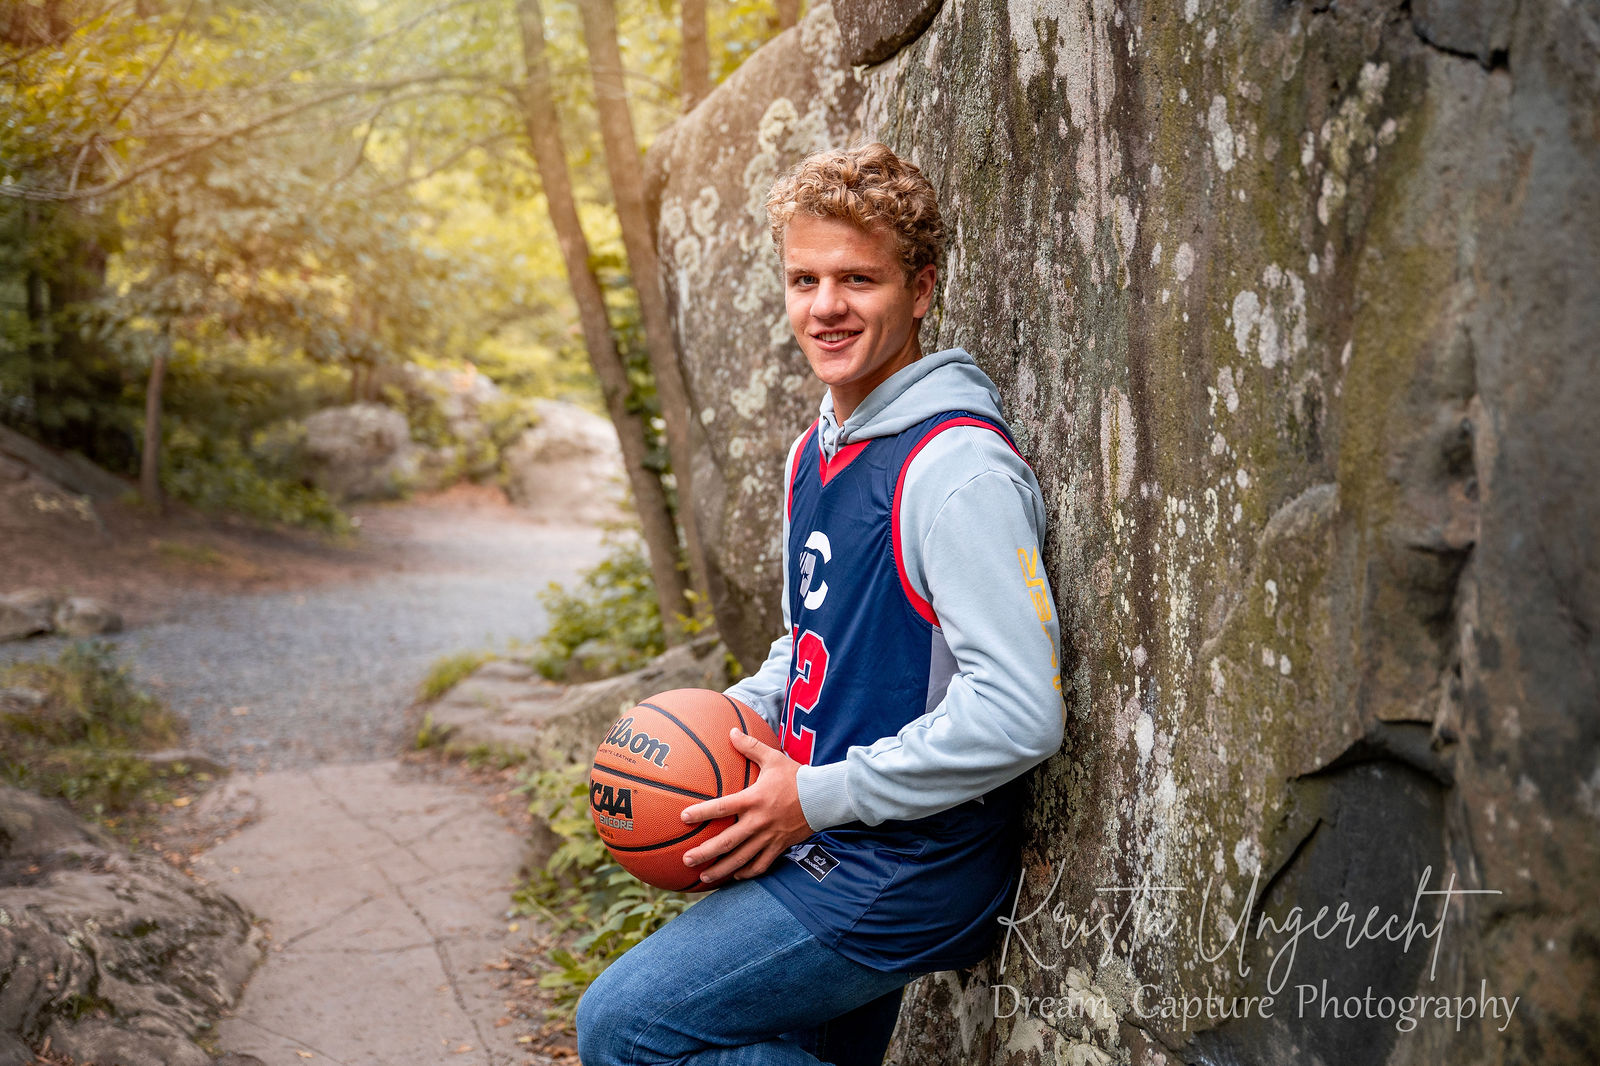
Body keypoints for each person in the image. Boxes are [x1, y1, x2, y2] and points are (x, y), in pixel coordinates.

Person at [575, 142, 1065, 1065]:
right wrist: (730, 719)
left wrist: (813, 798)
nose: (825, 306)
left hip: (909, 862)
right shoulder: (815, 451)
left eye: (857, 278)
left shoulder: (955, 469)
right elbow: (814, 637)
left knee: (625, 1029)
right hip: (831, 832)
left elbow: (1021, 713)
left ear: (920, 290)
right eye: (804, 278)